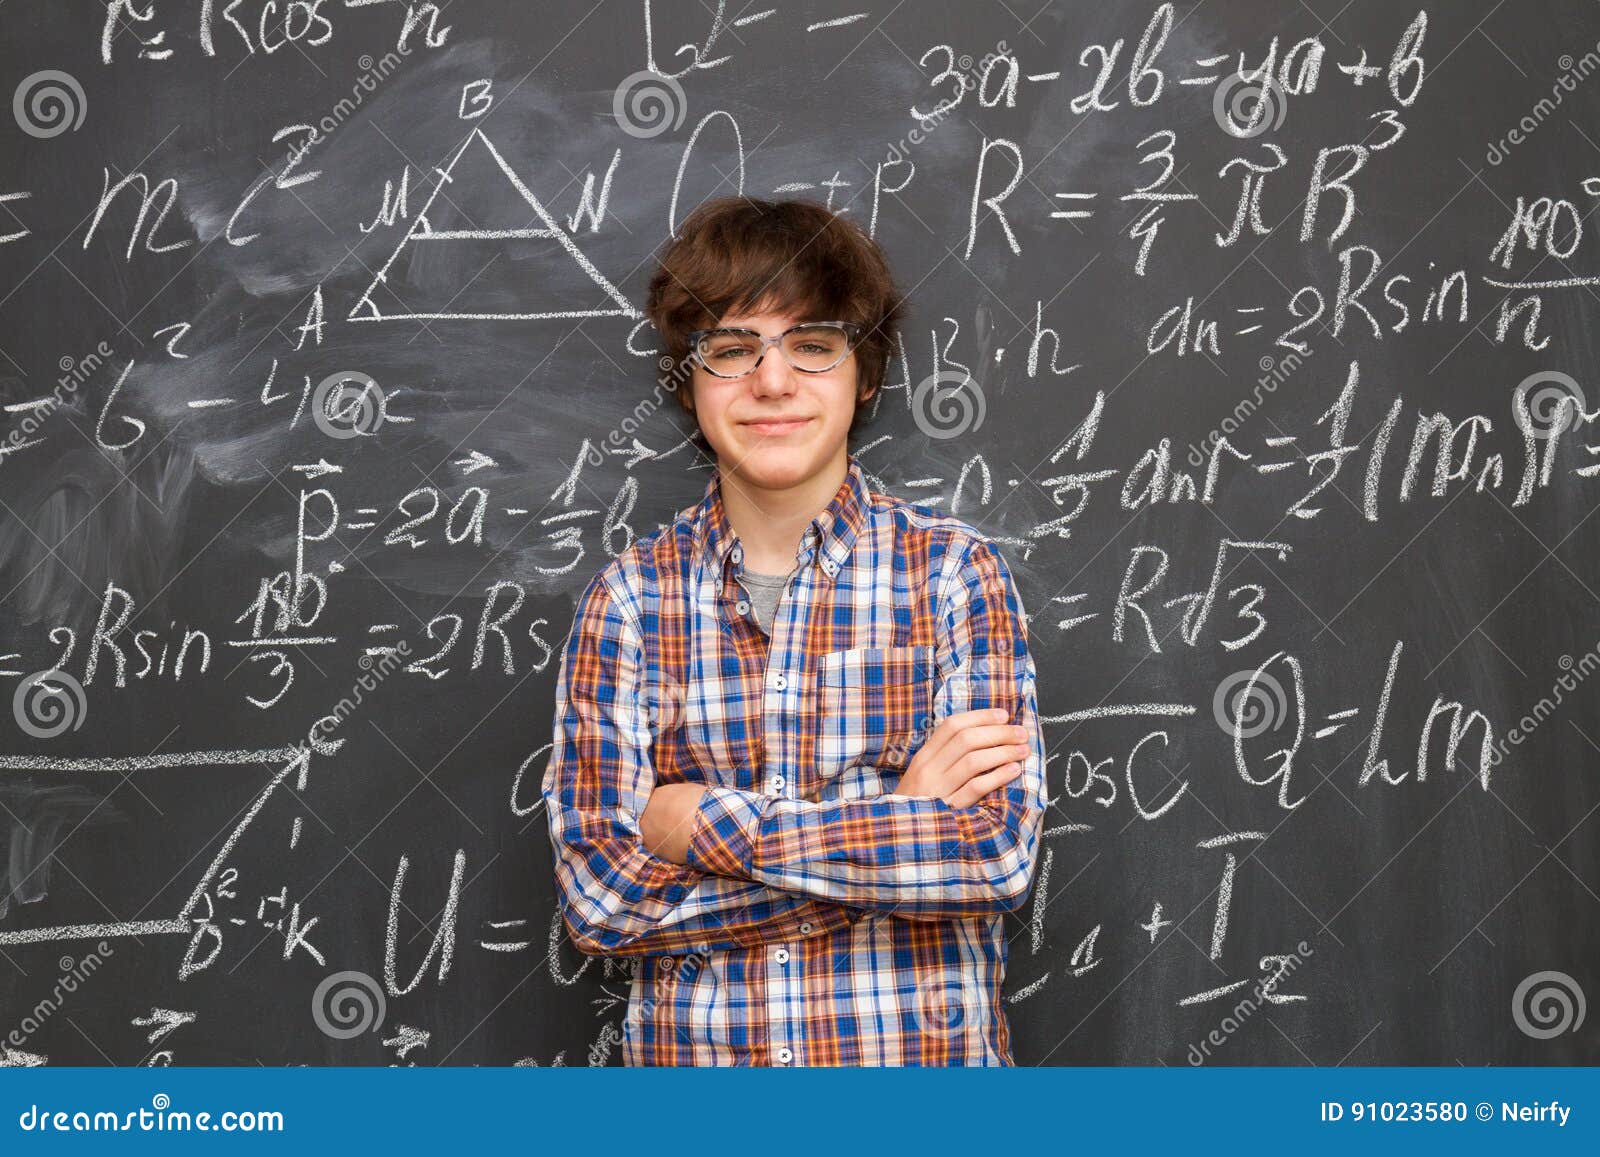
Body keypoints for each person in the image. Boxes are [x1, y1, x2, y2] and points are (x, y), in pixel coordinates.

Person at [542, 196, 1047, 1065]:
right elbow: (601, 900)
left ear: (867, 375)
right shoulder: (627, 601)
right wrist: (897, 823)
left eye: (813, 345)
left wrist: (698, 824)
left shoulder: (954, 575)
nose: (772, 382)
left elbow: (992, 855)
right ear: (688, 376)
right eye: (732, 349)